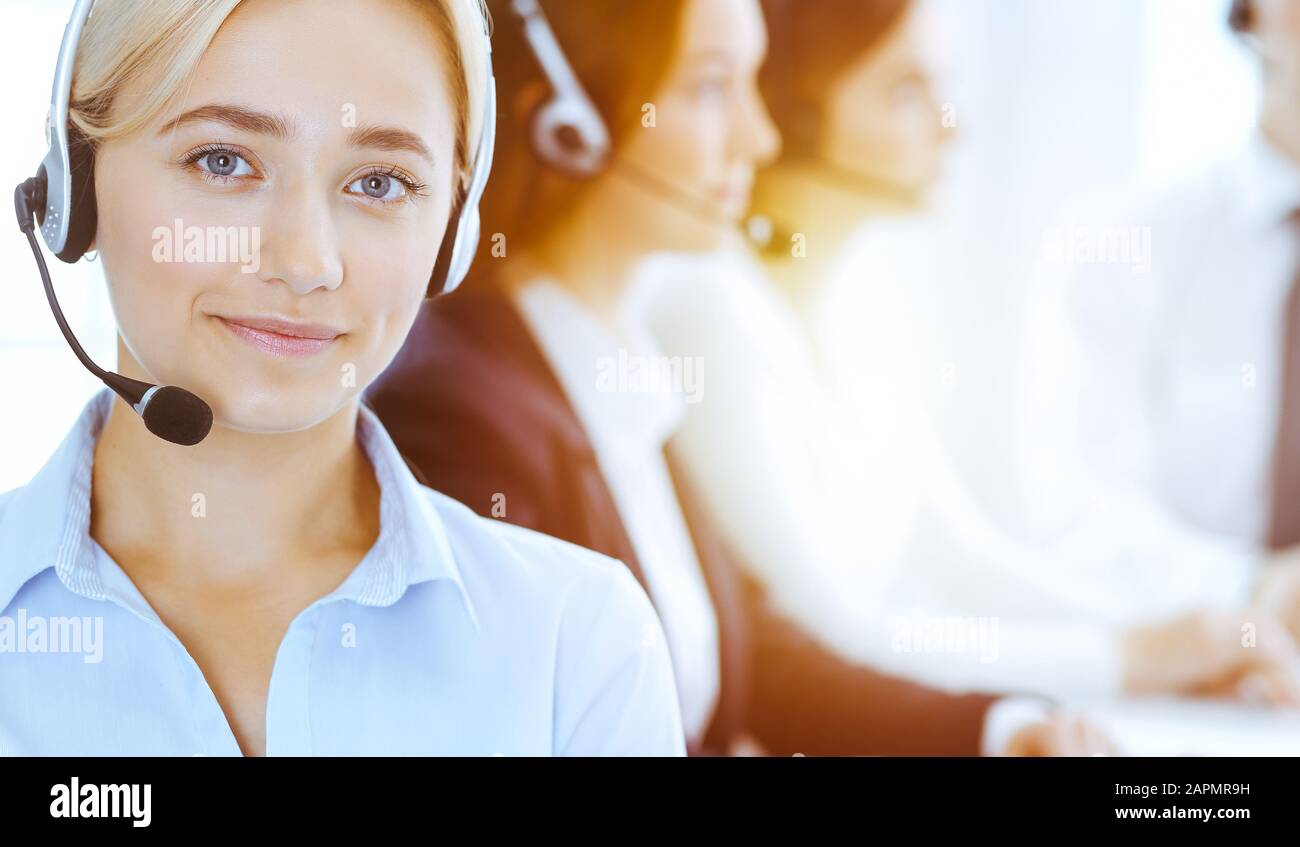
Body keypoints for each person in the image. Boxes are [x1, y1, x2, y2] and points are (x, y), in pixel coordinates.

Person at [369, 0, 1112, 756]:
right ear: (569, 127)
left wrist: (1001, 730)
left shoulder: (617, 361)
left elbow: (757, 660)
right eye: (712, 88)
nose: (760, 137)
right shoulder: (458, 409)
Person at [0, 0, 684, 757]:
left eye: (381, 183)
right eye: (223, 160)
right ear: (74, 185)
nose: (305, 261)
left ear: (453, 230)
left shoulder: (577, 646)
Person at [628, 0, 1300, 704]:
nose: (954, 127)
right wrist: (1125, 659)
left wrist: (1198, 638)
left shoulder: (863, 299)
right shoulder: (707, 307)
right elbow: (842, 630)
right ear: (791, 111)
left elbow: (958, 558)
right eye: (906, 92)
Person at [1022, 0, 1300, 643]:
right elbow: (1073, 509)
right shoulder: (1119, 244)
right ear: (1249, 13)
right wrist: (1252, 594)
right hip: (1193, 712)